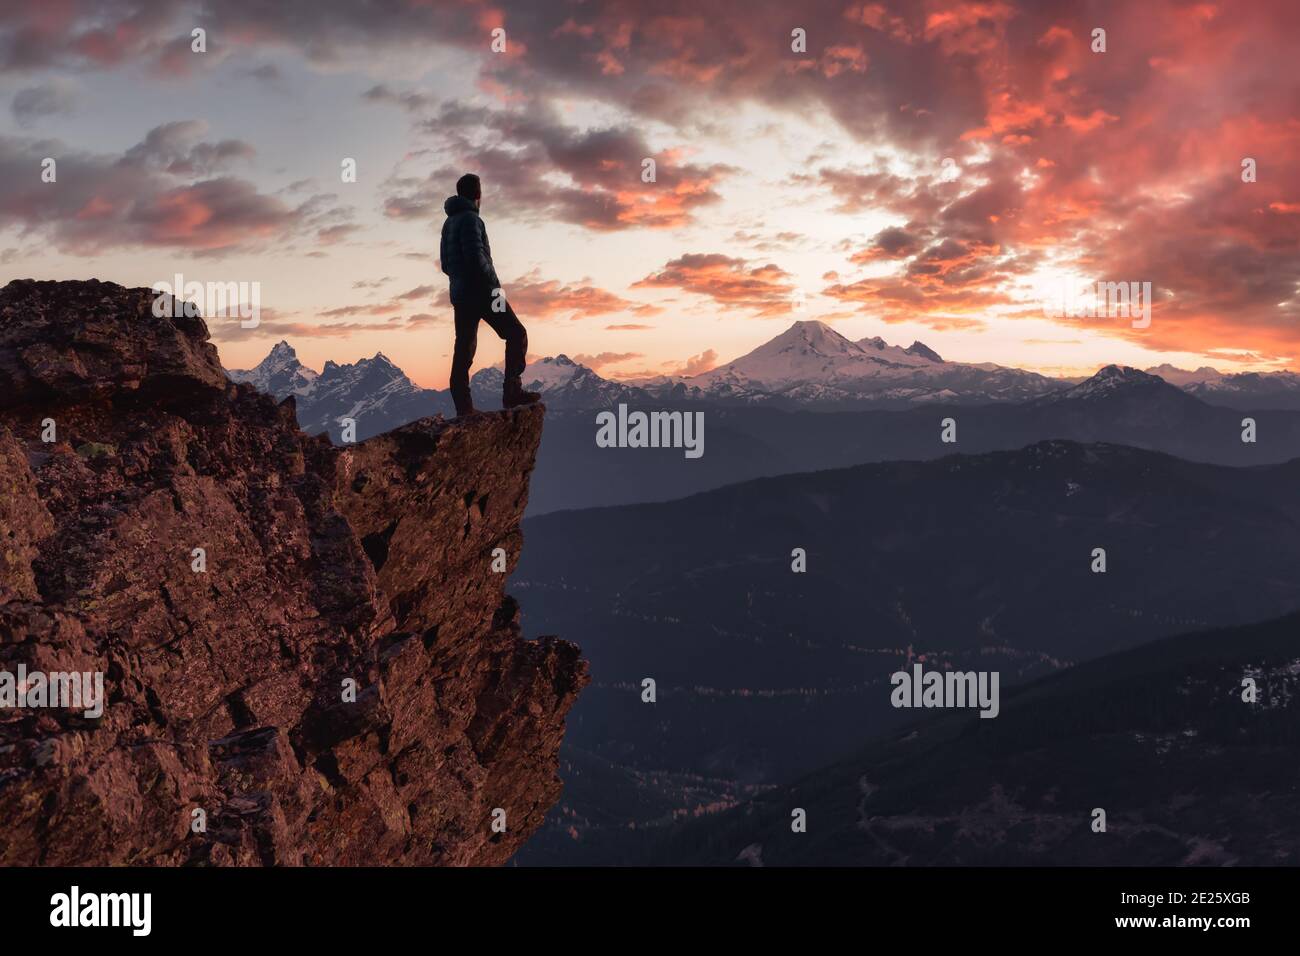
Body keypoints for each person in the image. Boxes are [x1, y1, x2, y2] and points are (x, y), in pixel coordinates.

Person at [440, 173, 540, 416]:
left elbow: (445, 264)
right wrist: (493, 283)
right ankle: (512, 393)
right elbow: (476, 256)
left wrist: (459, 279)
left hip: (460, 295)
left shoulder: (449, 223)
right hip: (483, 291)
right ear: (478, 195)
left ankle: (464, 407)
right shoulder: (472, 220)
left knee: (464, 347)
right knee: (516, 333)